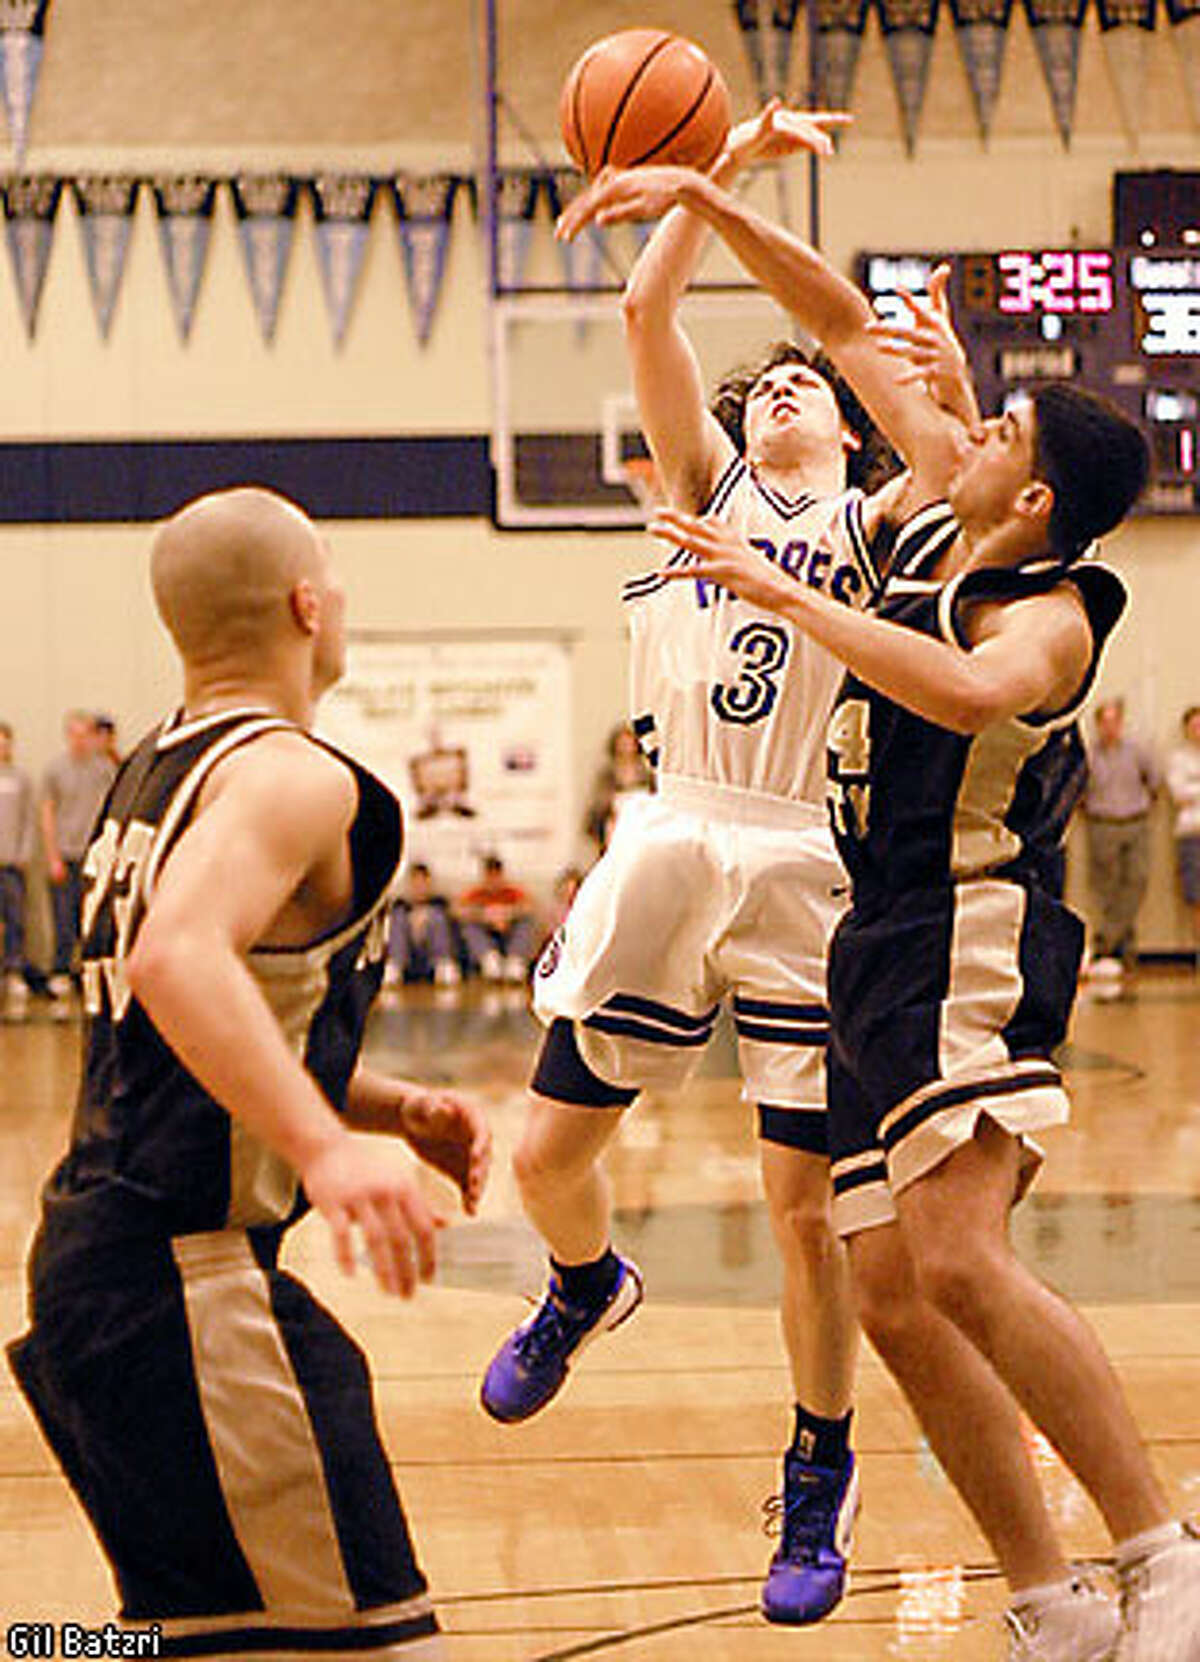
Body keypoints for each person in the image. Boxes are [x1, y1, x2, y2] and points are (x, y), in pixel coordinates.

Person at [564, 155, 1200, 1661]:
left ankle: (1163, 1554)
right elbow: (843, 320)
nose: (955, 425)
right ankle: (1051, 1600)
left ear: (1028, 492)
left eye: (990, 429)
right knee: (897, 1297)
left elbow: (969, 688)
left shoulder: (1048, 612)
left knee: (963, 1257)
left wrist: (782, 597)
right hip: (874, 934)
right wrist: (707, 203)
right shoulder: (944, 516)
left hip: (974, 925)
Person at [481, 105, 922, 1629]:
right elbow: (644, 303)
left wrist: (753, 213)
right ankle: (586, 1283)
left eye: (811, 381)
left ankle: (820, 1463)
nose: (793, 385)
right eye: (774, 383)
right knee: (541, 1161)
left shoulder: (870, 525)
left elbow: (852, 339)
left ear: (847, 428)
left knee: (803, 1211)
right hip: (674, 829)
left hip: (802, 851)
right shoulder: (704, 486)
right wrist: (711, 161)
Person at [8, 486, 491, 1662]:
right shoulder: (293, 776)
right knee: (383, 1643)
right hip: (189, 1283)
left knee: (194, 1643)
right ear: (306, 604)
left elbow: (176, 1032)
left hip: (99, 1281)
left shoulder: (154, 775)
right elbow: (177, 960)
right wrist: (324, 1151)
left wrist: (381, 1103)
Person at [1080, 699, 1160, 980]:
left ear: (1121, 723)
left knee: (1137, 880)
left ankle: (1106, 941)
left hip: (1135, 821)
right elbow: (1078, 789)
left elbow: (1154, 782)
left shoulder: (1137, 751)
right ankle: (1123, 951)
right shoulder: (1089, 755)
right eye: (1105, 722)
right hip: (1102, 823)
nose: (1110, 728)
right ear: (1098, 725)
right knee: (1107, 888)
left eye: (1115, 721)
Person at [40, 708, 117, 998]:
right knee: (63, 916)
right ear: (67, 735)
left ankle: (88, 971)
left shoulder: (104, 770)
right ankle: (60, 970)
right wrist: (53, 856)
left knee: (92, 917)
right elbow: (47, 813)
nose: (80, 740)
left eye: (85, 734)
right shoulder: (55, 769)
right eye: (75, 734)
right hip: (65, 853)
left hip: (94, 857)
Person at [454, 853, 538, 983]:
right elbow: (457, 911)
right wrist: (484, 915)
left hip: (509, 935)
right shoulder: (476, 893)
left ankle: (515, 963)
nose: (493, 880)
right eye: (489, 876)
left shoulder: (511, 891)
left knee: (526, 922)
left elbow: (530, 906)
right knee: (469, 926)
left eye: (496, 876)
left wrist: (507, 913)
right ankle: (489, 962)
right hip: (486, 937)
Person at [0, 720, 35, 1017]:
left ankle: (14, 972)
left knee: (15, 919)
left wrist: (23, 852)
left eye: (5, 741)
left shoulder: (21, 778)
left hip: (11, 863)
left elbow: (28, 819)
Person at [582, 721, 654, 853]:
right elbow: (599, 802)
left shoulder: (645, 772)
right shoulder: (608, 773)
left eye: (629, 742)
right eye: (623, 743)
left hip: (641, 822)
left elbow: (653, 795)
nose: (626, 747)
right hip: (615, 822)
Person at [387, 861, 461, 987]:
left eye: (423, 882)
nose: (419, 887)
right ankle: (395, 966)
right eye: (416, 883)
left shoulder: (439, 902)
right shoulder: (400, 905)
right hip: (409, 955)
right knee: (399, 916)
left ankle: (443, 964)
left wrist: (426, 916)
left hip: (431, 956)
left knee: (437, 915)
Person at [1166, 704, 1200, 963]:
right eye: (1194, 725)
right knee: (1195, 897)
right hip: (1191, 833)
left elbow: (1190, 791)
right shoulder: (1178, 759)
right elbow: (1179, 794)